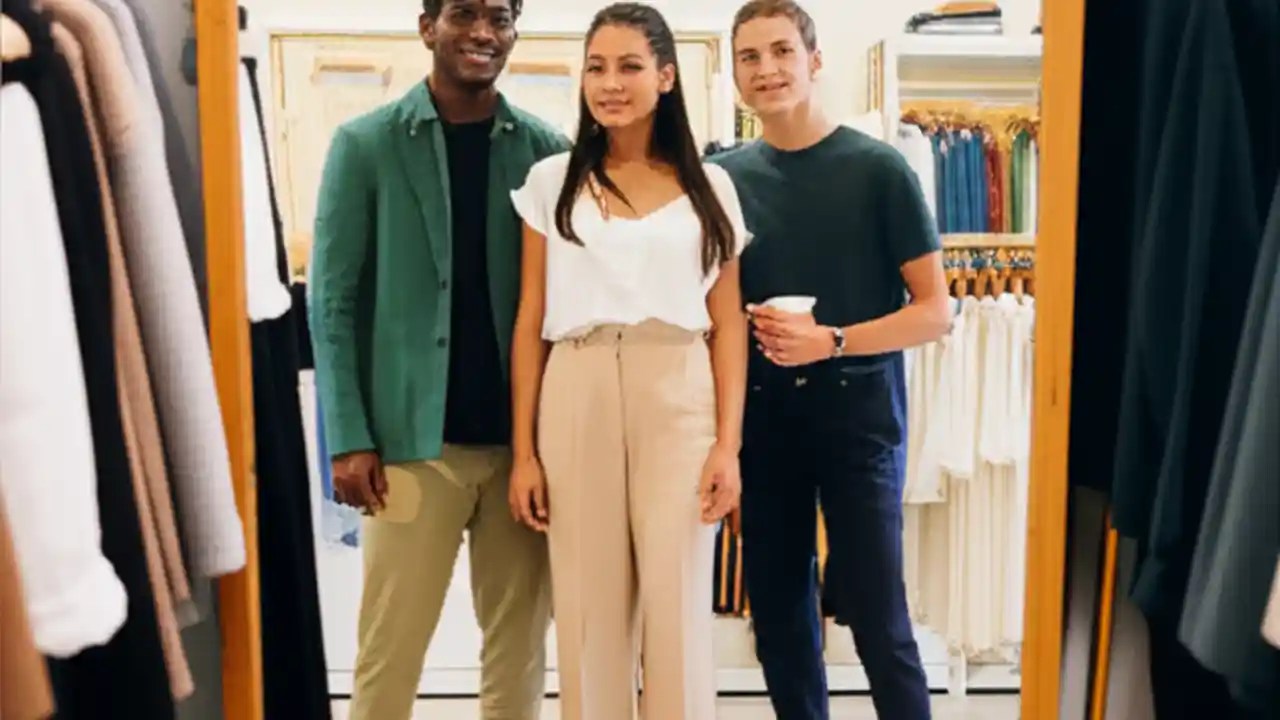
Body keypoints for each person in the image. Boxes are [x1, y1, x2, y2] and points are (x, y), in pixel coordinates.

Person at [307, 0, 569, 718]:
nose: (483, 32)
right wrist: (348, 436)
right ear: (428, 27)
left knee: (519, 652)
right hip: (409, 448)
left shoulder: (547, 152)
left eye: (500, 18)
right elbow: (331, 303)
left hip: (522, 454)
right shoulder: (365, 145)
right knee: (389, 651)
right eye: (464, 14)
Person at [505, 3, 751, 718]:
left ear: (666, 77)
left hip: (679, 385)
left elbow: (727, 324)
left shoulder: (712, 187)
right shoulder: (551, 181)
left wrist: (727, 446)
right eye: (596, 67)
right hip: (576, 383)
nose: (610, 83)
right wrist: (524, 453)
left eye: (630, 67)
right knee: (588, 608)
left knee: (678, 602)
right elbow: (530, 320)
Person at [711, 1, 951, 719]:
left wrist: (833, 340)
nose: (767, 69)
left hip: (860, 421)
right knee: (780, 622)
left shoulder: (879, 169)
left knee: (878, 618)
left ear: (815, 61)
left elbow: (935, 312)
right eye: (750, 57)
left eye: (782, 51)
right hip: (763, 426)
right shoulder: (722, 179)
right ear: (735, 76)